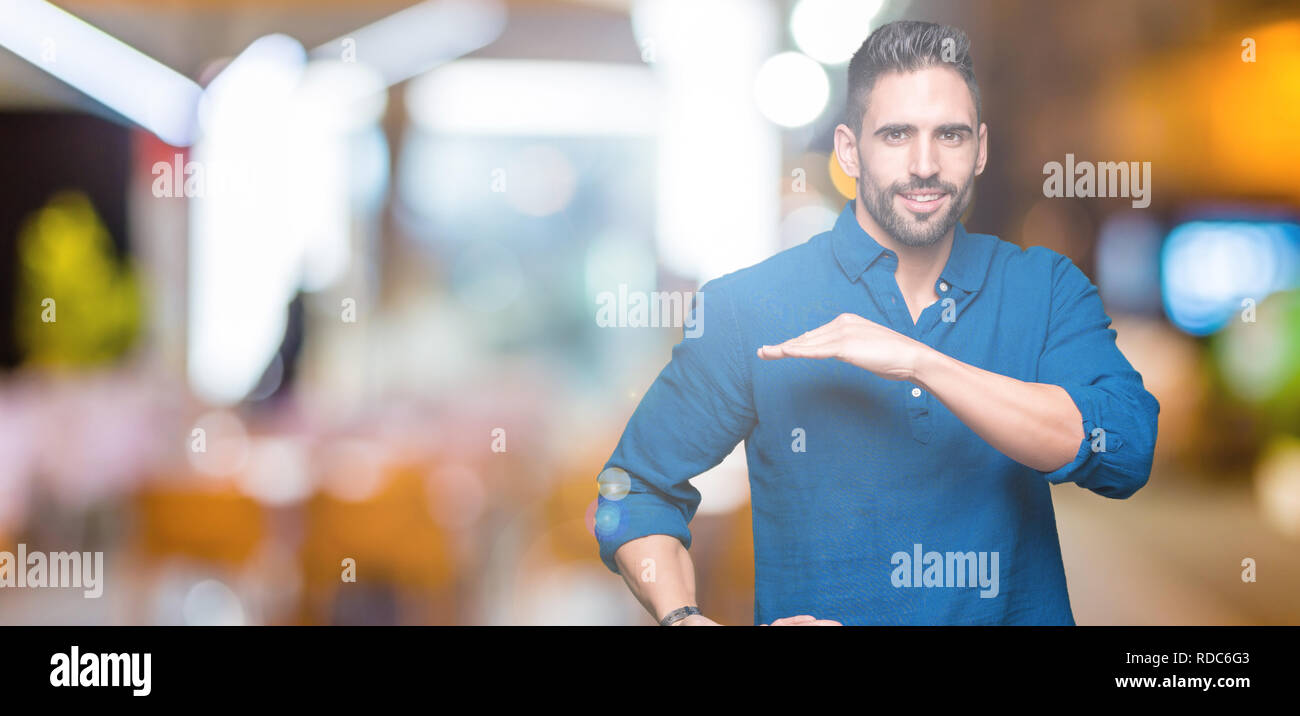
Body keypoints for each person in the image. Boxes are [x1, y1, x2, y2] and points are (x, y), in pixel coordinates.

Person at [593, 20, 1159, 626]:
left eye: (951, 135)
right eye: (895, 135)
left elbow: (1124, 449)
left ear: (982, 148)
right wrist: (684, 620)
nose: (924, 164)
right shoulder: (749, 306)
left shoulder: (1044, 289)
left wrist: (922, 361)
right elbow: (631, 493)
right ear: (848, 150)